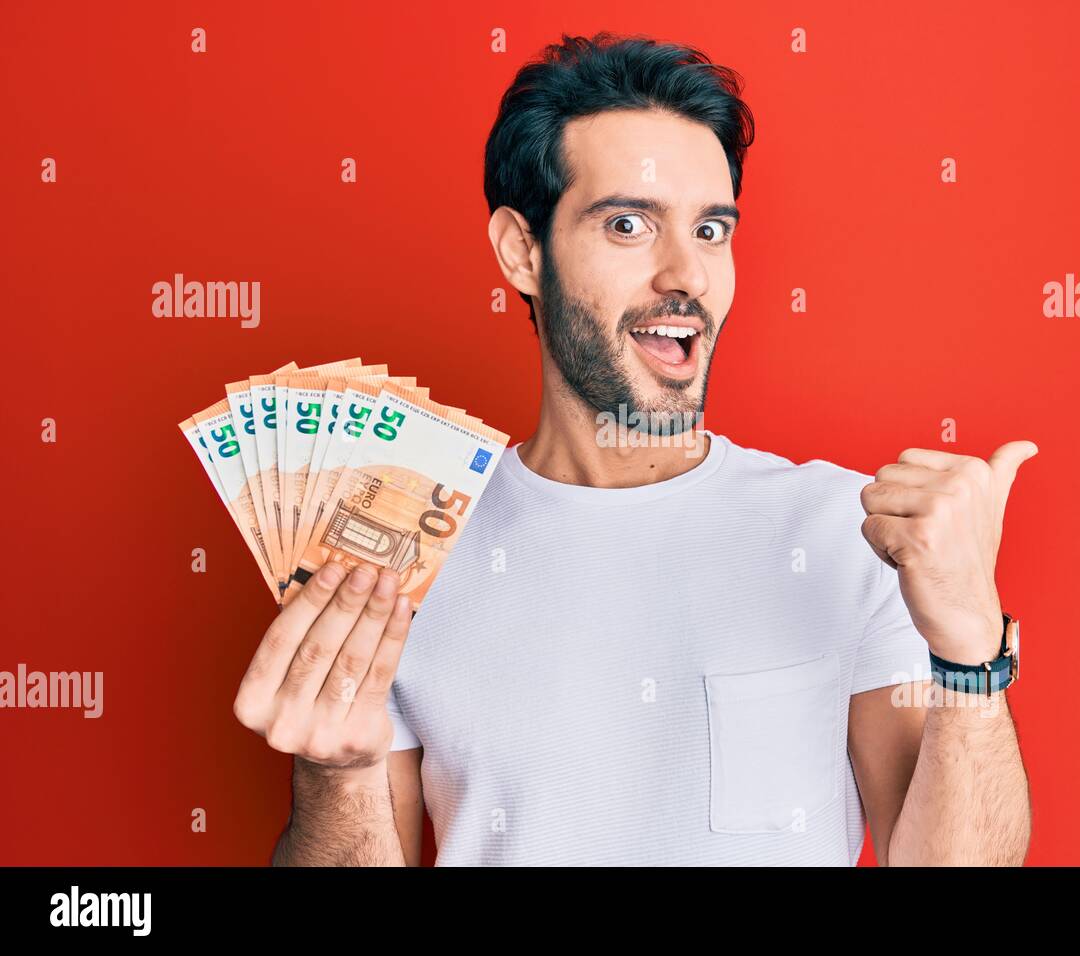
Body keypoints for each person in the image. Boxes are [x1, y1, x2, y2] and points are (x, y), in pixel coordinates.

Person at [233, 32, 1035, 866]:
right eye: (628, 225)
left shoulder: (844, 530)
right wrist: (339, 772)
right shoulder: (406, 558)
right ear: (521, 250)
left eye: (712, 229)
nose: (686, 273)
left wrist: (972, 647)